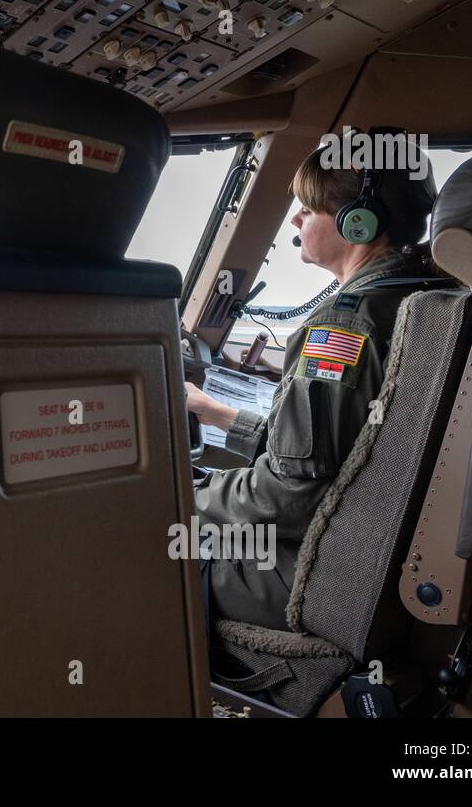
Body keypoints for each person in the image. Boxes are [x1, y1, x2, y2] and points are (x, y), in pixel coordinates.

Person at [184, 141, 439, 631]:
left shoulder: (343, 328)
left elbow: (288, 496)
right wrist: (215, 413)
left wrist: (187, 492)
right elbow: (345, 450)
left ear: (357, 222)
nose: (296, 220)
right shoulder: (421, 296)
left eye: (308, 207)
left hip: (318, 568)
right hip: (379, 552)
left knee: (149, 537)